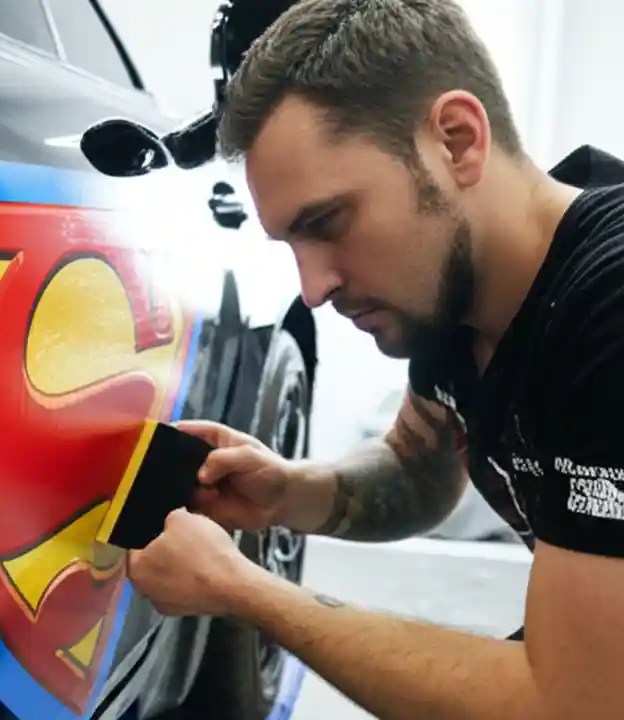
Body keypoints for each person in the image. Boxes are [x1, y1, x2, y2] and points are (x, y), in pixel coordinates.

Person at [126, 1, 624, 718]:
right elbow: (419, 470)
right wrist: (287, 492)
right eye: (292, 246)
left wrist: (244, 591)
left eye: (326, 223)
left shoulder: (608, 304)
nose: (313, 287)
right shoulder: (464, 298)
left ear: (456, 141)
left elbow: (571, 705)